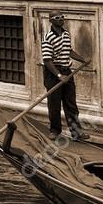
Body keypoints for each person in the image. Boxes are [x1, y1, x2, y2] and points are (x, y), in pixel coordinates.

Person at [41, 11, 88, 140]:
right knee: (54, 103)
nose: (61, 19)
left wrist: (82, 59)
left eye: (62, 17)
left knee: (71, 103)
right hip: (52, 73)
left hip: (67, 71)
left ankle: (76, 132)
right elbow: (47, 60)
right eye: (58, 18)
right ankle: (55, 130)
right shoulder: (48, 37)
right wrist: (59, 75)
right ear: (51, 20)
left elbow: (69, 51)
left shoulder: (66, 34)